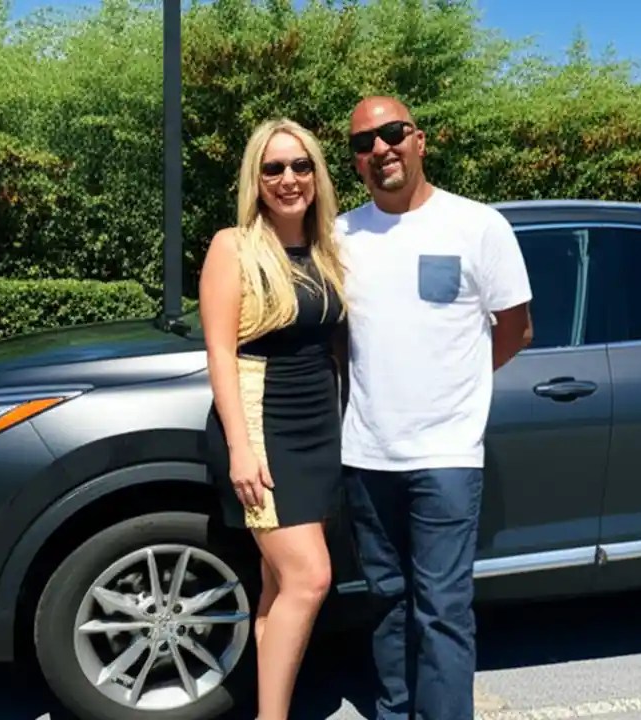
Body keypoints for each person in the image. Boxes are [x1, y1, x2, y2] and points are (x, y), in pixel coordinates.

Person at [335, 96, 533, 719]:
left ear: (419, 140)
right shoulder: (340, 235)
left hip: (446, 455)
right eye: (363, 143)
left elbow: (516, 329)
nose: (379, 149)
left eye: (391, 133)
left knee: (442, 608)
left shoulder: (477, 226)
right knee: (387, 600)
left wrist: (458, 381)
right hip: (365, 453)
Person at [198, 117, 347, 720]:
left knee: (278, 587)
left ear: (317, 173)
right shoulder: (232, 246)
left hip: (317, 427)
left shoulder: (328, 249)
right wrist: (240, 447)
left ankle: (270, 706)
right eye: (274, 168)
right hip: (262, 426)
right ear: (255, 179)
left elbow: (335, 344)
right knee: (310, 578)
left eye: (300, 166)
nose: (289, 179)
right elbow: (219, 352)